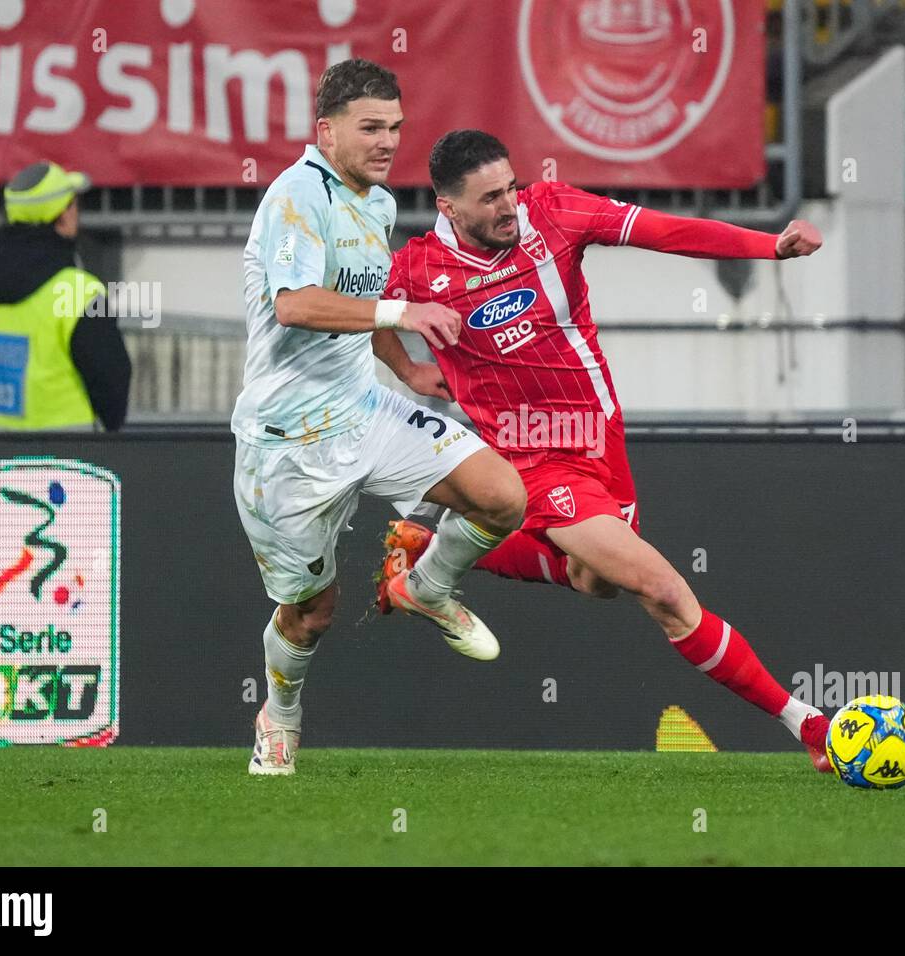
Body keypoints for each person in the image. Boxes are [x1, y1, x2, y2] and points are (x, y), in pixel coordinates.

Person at [373, 129, 832, 771]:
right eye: (490, 198)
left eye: (510, 187)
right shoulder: (418, 268)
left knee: (595, 581)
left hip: (599, 440)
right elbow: (363, 312)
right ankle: (808, 724)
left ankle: (436, 549)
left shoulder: (554, 212)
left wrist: (770, 246)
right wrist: (408, 370)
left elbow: (666, 232)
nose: (510, 206)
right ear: (449, 207)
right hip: (528, 459)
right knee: (665, 594)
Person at [233, 67, 526, 776]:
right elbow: (298, 304)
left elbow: (365, 306)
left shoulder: (379, 206)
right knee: (312, 615)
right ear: (325, 130)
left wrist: (404, 367)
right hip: (287, 448)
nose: (388, 141)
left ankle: (427, 585)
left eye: (395, 127)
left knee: (502, 496)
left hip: (366, 410)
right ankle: (281, 714)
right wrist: (403, 315)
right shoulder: (298, 197)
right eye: (371, 127)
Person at [0, 161, 130, 431]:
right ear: (63, 215)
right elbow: (112, 381)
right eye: (73, 203)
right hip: (64, 459)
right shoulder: (77, 293)